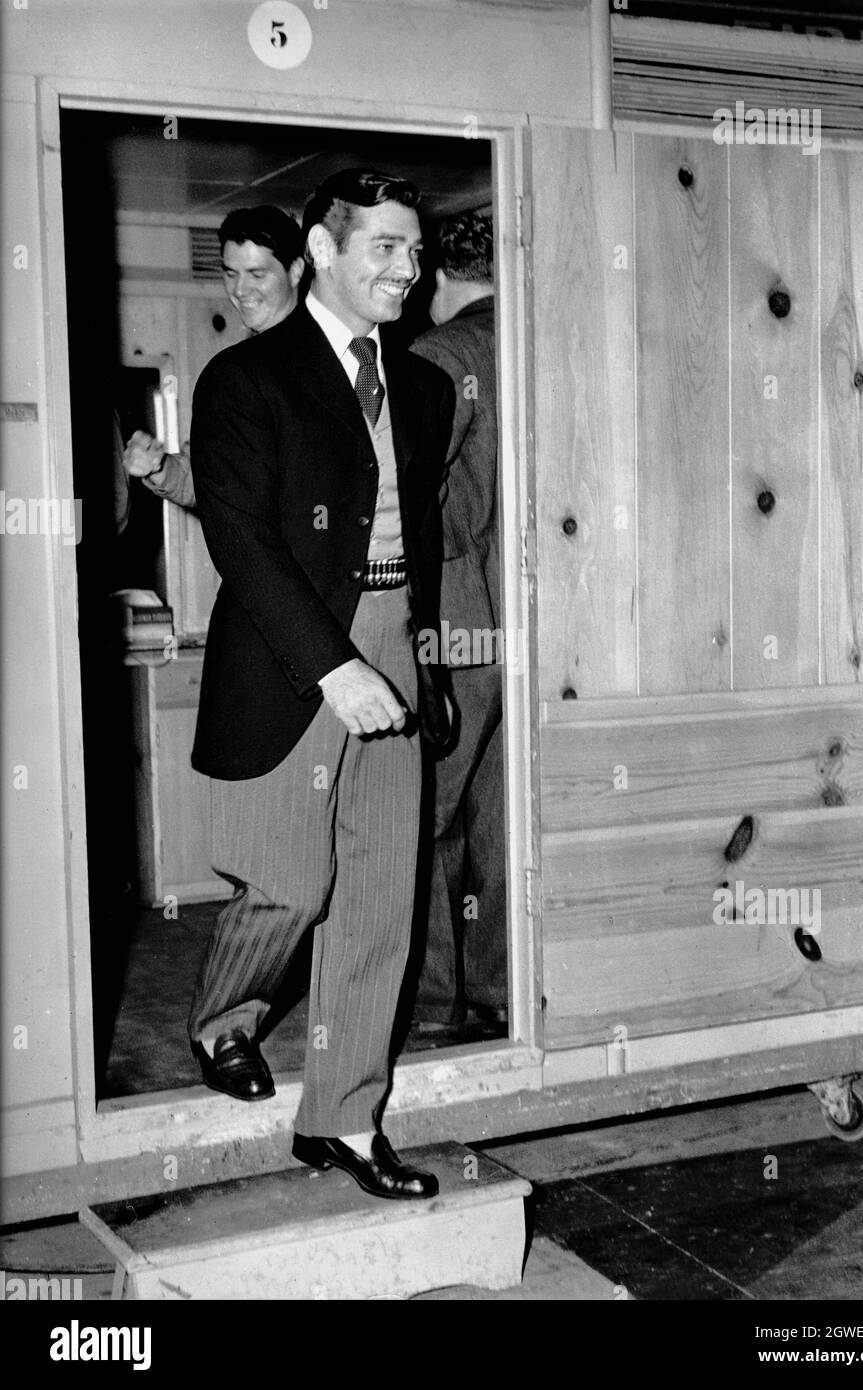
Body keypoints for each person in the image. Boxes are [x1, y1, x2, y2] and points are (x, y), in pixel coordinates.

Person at [186, 168, 455, 1201]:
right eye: (385, 246)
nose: (407, 268)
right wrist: (336, 664)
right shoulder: (246, 379)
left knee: (381, 899)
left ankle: (343, 1119)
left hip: (392, 638)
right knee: (291, 884)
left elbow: (417, 539)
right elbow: (243, 542)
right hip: (291, 647)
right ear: (323, 250)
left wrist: (419, 658)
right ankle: (223, 1018)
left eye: (415, 250)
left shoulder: (422, 389)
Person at [408, 212, 506, 1032]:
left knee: (423, 815)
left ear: (438, 277)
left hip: (456, 614)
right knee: (503, 818)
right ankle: (501, 989)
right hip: (538, 622)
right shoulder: (545, 340)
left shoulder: (438, 354)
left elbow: (408, 499)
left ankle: (436, 1002)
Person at [122, 205, 305, 505]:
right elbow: (214, 477)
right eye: (231, 273)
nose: (240, 289)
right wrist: (159, 466)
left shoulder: (331, 353)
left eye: (257, 274)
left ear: (295, 271)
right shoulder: (240, 370)